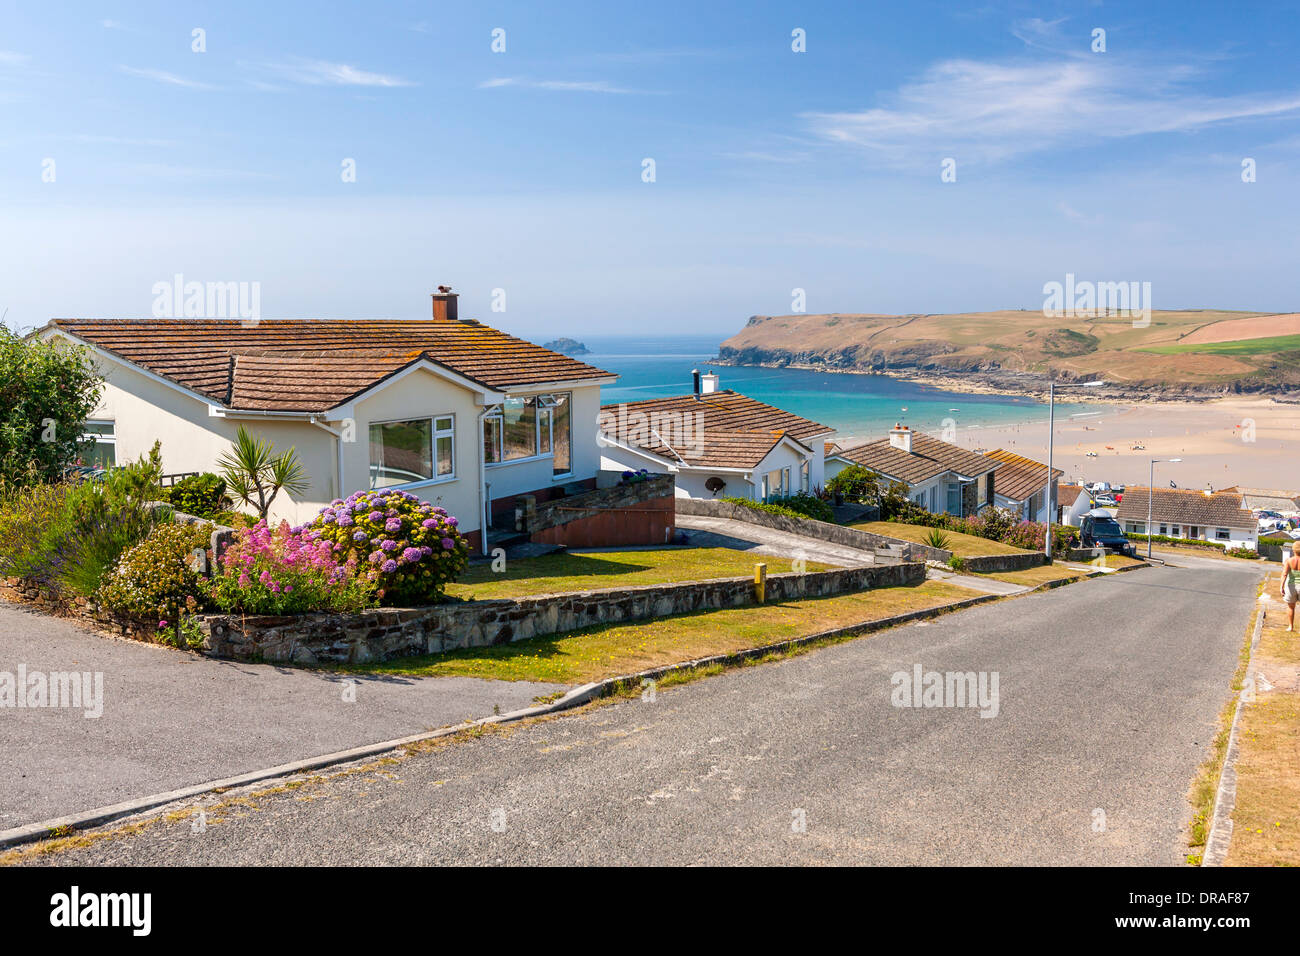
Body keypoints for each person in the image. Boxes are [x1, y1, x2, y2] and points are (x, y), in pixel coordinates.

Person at [1282, 546, 1300, 632]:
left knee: (1291, 607)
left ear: (1293, 550)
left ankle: (1291, 627)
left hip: (1291, 586)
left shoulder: (1289, 561)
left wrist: (1281, 586)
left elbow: (1284, 574)